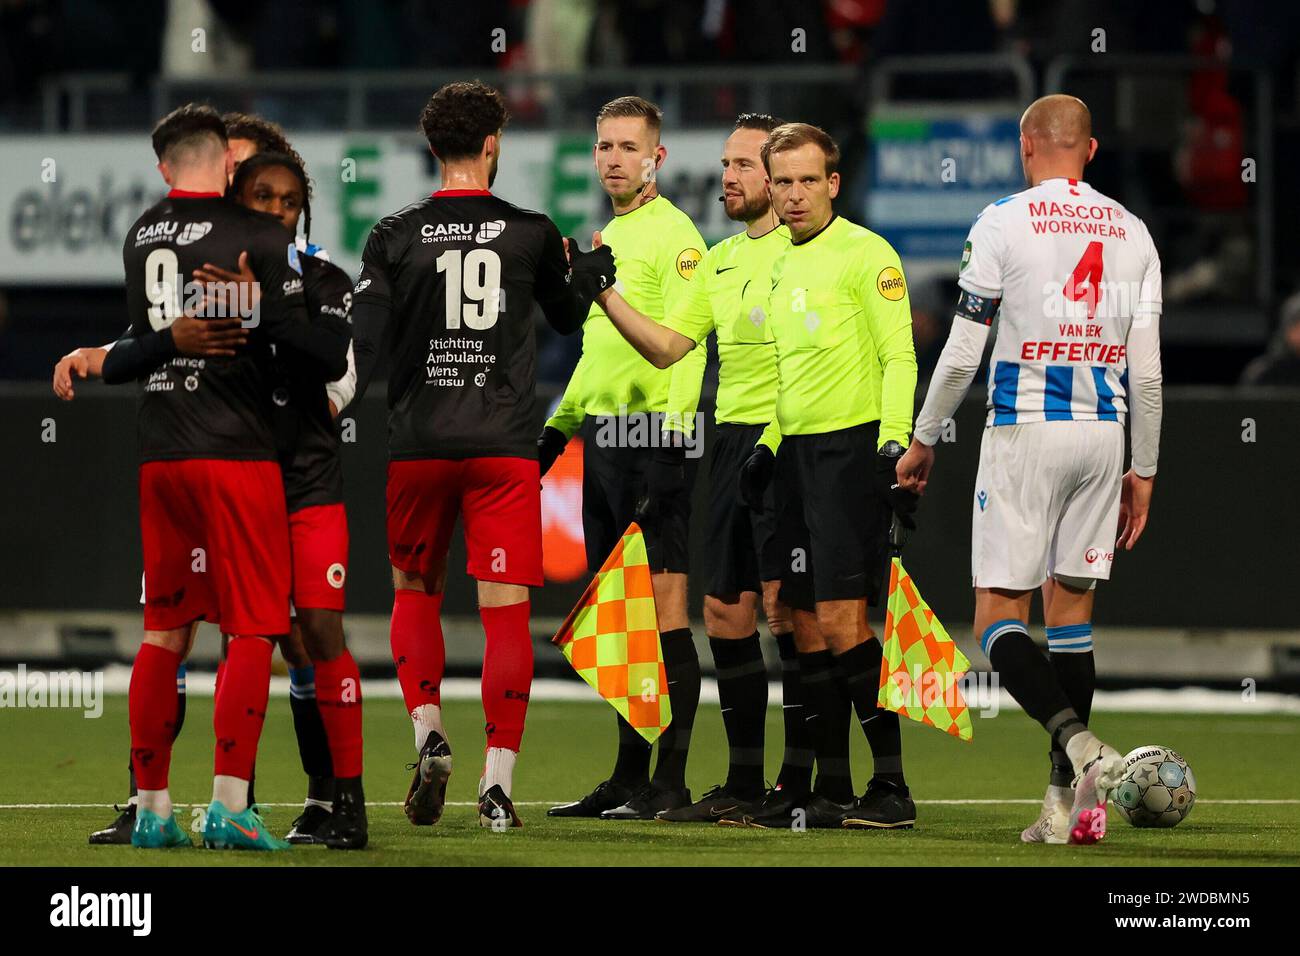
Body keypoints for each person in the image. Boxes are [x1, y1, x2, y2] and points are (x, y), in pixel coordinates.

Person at [57, 113, 356, 847]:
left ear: (163, 168)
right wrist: (261, 306)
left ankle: (152, 811)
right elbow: (317, 354)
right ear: (226, 165)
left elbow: (145, 345)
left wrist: (121, 351)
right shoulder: (250, 241)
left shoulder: (141, 236)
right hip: (239, 456)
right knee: (254, 629)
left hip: (161, 454)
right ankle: (230, 806)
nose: (273, 209)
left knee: (163, 633)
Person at [897, 94, 1164, 845]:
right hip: (1103, 436)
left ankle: (1080, 748)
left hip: (1025, 433)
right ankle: (1066, 809)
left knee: (996, 622)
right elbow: (1146, 374)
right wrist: (1142, 467)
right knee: (1071, 616)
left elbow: (960, 352)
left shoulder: (1002, 221)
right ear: (1092, 149)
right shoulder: (1133, 231)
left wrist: (924, 438)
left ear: (1026, 147)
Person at [350, 80, 612, 828]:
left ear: (434, 149)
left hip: (421, 443)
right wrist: (588, 279)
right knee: (505, 613)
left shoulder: (393, 233)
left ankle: (429, 732)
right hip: (502, 448)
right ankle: (498, 784)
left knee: (414, 591)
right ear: (493, 144)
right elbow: (565, 320)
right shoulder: (530, 230)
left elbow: (362, 347)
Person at [573, 113, 818, 823]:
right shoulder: (719, 259)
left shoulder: (807, 256)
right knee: (724, 611)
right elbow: (667, 347)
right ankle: (743, 785)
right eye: (728, 163)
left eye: (744, 165)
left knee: (795, 616)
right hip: (729, 444)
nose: (730, 177)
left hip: (794, 443)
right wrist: (604, 291)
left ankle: (810, 782)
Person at [738, 122, 921, 829]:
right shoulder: (781, 261)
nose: (792, 195)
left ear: (834, 184)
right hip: (795, 458)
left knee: (846, 623)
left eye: (807, 180)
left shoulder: (867, 254)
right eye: (781, 181)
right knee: (801, 622)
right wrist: (769, 445)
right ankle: (832, 788)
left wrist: (893, 445)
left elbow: (900, 358)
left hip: (850, 456)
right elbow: (793, 372)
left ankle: (893, 787)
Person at [540, 95, 709, 821]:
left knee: (667, 614)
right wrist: (557, 429)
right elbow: (599, 352)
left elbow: (682, 346)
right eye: (603, 145)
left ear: (656, 158)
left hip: (653, 441)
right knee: (621, 619)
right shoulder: (610, 232)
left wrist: (671, 445)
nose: (612, 157)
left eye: (626, 146)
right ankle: (628, 776)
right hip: (605, 438)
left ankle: (670, 780)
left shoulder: (678, 238)